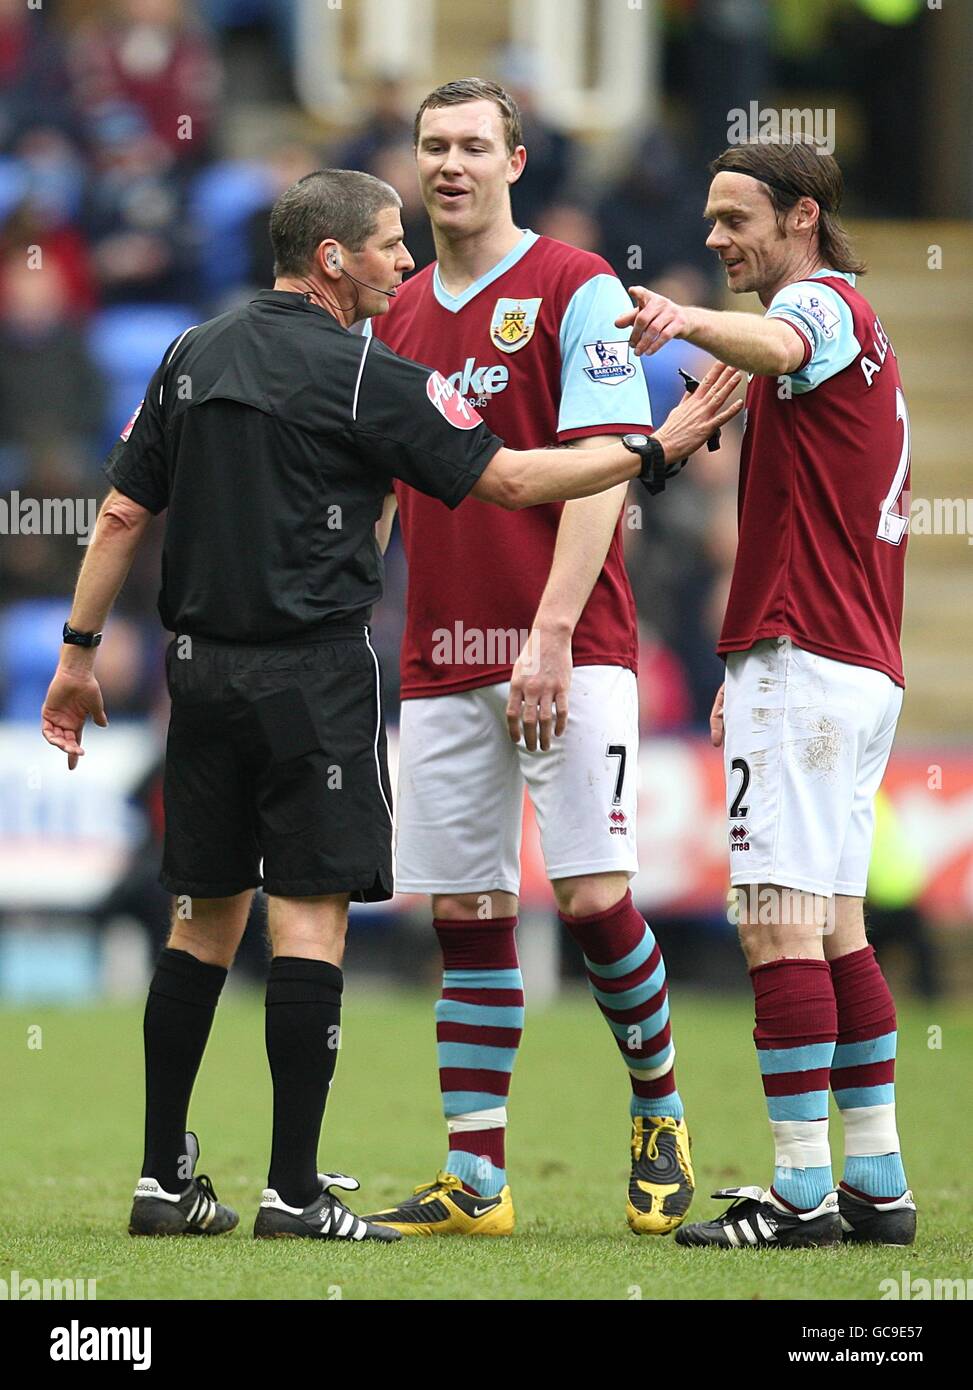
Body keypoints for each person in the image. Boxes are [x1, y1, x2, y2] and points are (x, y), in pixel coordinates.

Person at [40, 167, 739, 1244]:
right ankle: (293, 1189)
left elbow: (126, 510)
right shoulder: (370, 370)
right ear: (332, 259)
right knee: (310, 920)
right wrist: (656, 446)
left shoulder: (187, 353)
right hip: (314, 679)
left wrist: (77, 653)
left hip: (199, 675)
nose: (402, 261)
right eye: (383, 244)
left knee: (201, 921)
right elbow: (508, 479)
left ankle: (160, 1177)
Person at [360, 78, 706, 1239]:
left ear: (515, 158)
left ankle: (659, 1111)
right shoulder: (396, 312)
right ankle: (478, 1176)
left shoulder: (575, 285)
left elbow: (609, 463)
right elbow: (383, 496)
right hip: (439, 650)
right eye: (430, 147)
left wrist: (552, 628)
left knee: (596, 896)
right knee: (463, 908)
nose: (448, 164)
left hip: (571, 640)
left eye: (471, 145)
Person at [620, 136, 916, 1249]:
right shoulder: (846, 334)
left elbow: (781, 337)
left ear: (799, 217)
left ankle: (798, 1194)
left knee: (775, 929)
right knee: (836, 927)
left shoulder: (825, 308)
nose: (712, 236)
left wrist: (684, 317)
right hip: (840, 663)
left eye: (732, 217)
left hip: (808, 662)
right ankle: (876, 1183)